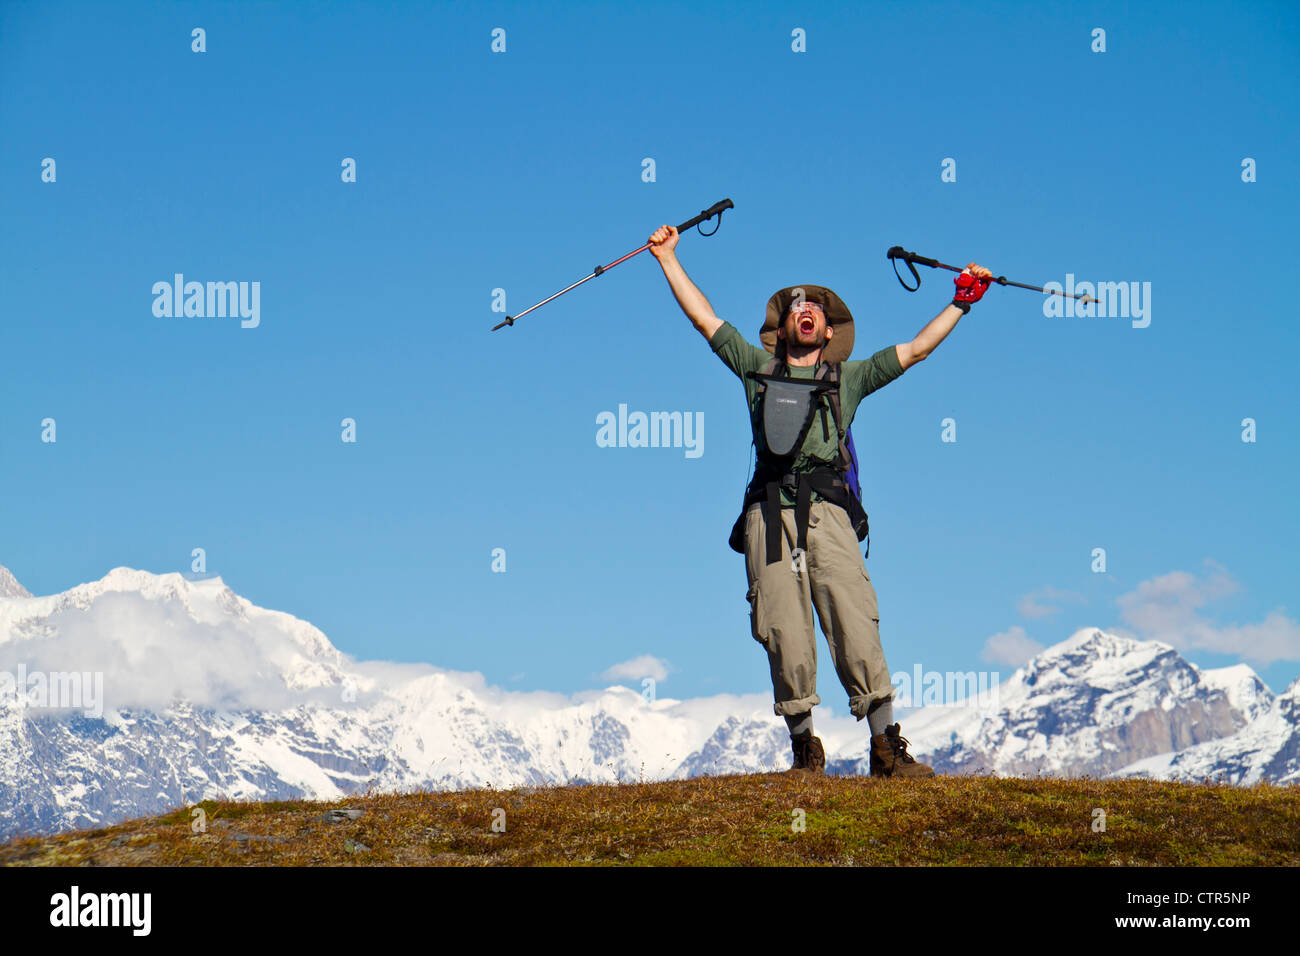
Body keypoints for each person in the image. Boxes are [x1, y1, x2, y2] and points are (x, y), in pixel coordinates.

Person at [648, 222, 993, 778]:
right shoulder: (755, 370)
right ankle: (806, 753)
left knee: (854, 620)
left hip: (829, 514)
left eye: (815, 310)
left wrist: (963, 301)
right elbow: (704, 319)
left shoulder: (848, 379)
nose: (805, 312)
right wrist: (667, 259)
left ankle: (886, 750)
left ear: (828, 331)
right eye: (795, 309)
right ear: (783, 330)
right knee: (782, 627)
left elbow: (917, 349)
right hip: (767, 511)